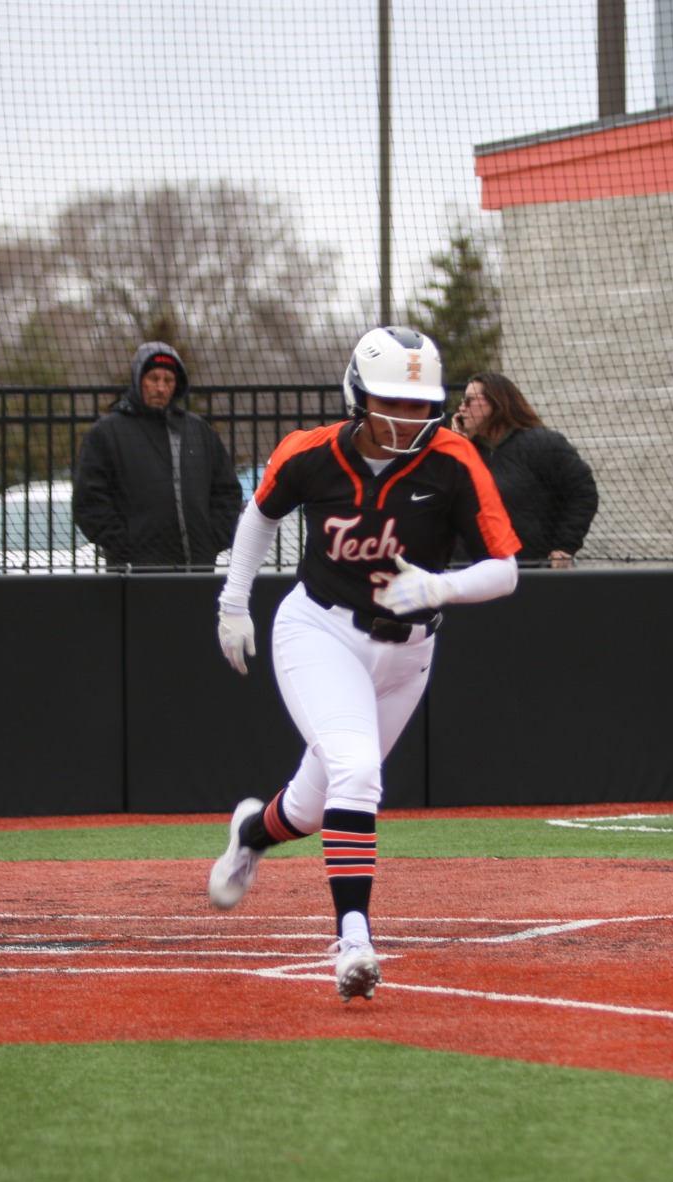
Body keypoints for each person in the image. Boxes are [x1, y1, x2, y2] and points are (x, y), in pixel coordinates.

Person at [207, 327, 520, 1000]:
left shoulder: (453, 458)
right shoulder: (311, 453)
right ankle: (354, 939)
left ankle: (252, 831)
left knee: (317, 803)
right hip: (320, 629)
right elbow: (259, 516)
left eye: (419, 403)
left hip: (408, 653)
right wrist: (234, 603)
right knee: (357, 770)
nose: (407, 417)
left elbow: (506, 571)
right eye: (391, 401)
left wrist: (443, 586)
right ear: (357, 393)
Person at [73, 342, 243, 570]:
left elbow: (227, 491)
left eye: (168, 380)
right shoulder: (107, 432)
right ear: (138, 379)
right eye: (154, 379)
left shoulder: (198, 431)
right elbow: (88, 501)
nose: (161, 388)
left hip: (198, 569)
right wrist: (124, 544)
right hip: (135, 574)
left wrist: (213, 538)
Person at [450, 372, 597, 567]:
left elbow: (583, 492)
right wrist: (458, 446)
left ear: (497, 402)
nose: (462, 408)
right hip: (469, 572)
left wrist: (564, 547)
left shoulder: (543, 443)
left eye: (469, 401)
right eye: (462, 401)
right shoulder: (461, 450)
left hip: (528, 570)